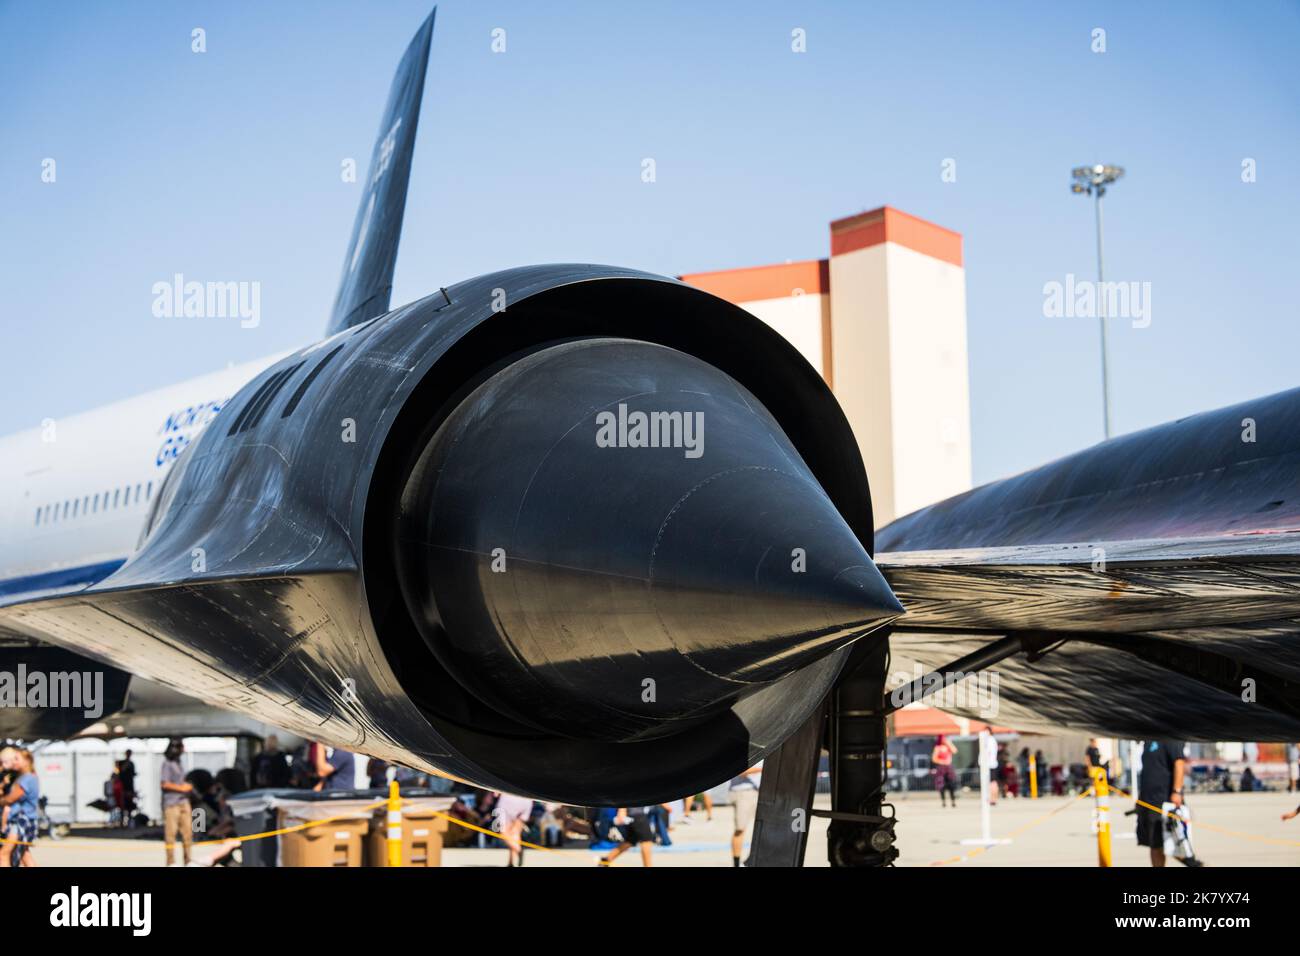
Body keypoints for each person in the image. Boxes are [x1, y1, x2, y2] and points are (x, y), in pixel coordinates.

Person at [1135, 739, 1187, 867]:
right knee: (1154, 844)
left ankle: (1197, 864)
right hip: (1148, 800)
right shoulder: (1148, 740)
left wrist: (1177, 791)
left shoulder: (1170, 738)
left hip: (1164, 801)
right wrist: (1140, 800)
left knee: (1176, 846)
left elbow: (1179, 763)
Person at [161, 738, 196, 866]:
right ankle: (171, 862)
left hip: (184, 801)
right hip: (172, 803)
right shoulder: (167, 763)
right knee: (171, 834)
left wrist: (187, 786)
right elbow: (164, 783)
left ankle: (188, 860)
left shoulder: (179, 762)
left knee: (188, 833)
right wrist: (182, 788)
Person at [0, 748, 38, 867]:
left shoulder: (27, 779)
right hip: (23, 820)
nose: (14, 762)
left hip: (21, 821)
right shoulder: (26, 777)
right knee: (24, 855)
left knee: (3, 854)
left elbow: (10, 798)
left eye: (17, 759)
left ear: (26, 761)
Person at [728, 761, 763, 866]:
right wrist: (764, 769)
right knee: (740, 829)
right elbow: (738, 771)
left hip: (754, 791)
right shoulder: (744, 749)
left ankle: (751, 859)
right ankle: (736, 863)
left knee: (762, 826)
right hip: (743, 792)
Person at [493, 792, 534, 866]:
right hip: (527, 800)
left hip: (508, 800)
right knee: (515, 833)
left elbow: (495, 793)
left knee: (503, 832)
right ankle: (510, 862)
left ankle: (518, 850)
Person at [932, 734, 958, 807]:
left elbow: (955, 751)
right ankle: (943, 801)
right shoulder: (937, 748)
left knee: (951, 785)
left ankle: (953, 800)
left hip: (949, 768)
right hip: (941, 768)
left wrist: (949, 743)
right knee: (941, 786)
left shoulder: (948, 747)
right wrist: (942, 761)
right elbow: (934, 758)